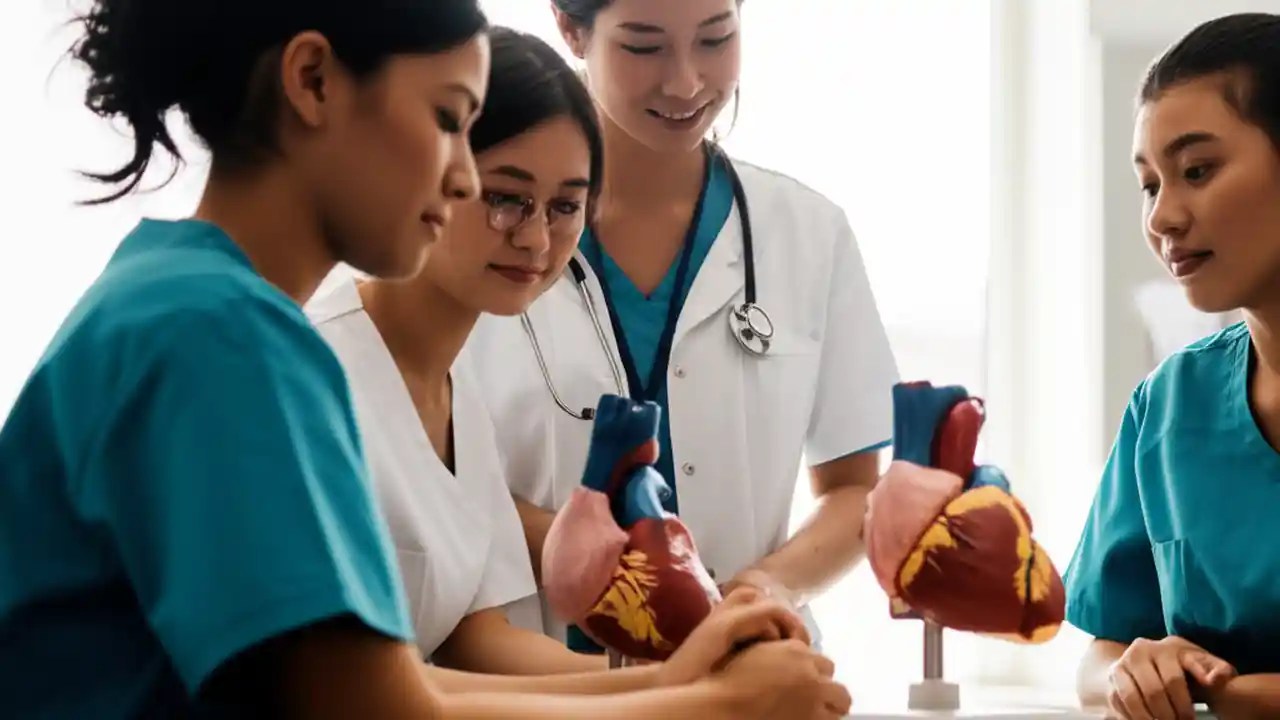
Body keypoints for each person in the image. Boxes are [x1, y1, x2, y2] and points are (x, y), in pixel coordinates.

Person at [0, 2, 847, 718]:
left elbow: (405, 682)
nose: (458, 180)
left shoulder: (182, 297)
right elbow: (376, 712)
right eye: (448, 120)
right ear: (313, 83)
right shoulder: (219, 338)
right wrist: (710, 706)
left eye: (566, 205)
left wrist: (680, 678)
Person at [305, 27, 849, 718]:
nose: (535, 239)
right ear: (430, 175)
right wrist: (697, 699)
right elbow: (370, 689)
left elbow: (480, 640)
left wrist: (694, 669)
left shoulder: (457, 400)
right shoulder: (315, 373)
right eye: (506, 197)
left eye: (565, 207)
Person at [465, 0, 899, 655]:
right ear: (570, 26)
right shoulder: (481, 233)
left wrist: (764, 589)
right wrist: (600, 562)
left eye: (715, 39)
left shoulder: (807, 234)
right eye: (644, 46)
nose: (686, 82)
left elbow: (854, 489)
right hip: (538, 673)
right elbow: (432, 483)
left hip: (747, 667)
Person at [1065, 13, 1280, 720]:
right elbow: (1101, 656)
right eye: (1150, 185)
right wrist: (1136, 669)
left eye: (1196, 171)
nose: (1163, 219)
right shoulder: (1170, 406)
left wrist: (1227, 693)